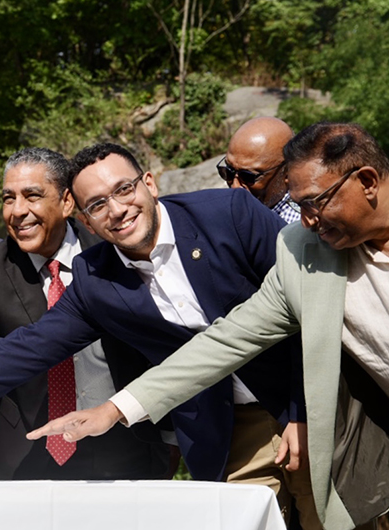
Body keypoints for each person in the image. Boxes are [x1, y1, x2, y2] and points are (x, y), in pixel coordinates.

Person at [0, 143, 317, 527]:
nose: (116, 210)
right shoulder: (96, 279)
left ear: (149, 183)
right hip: (222, 429)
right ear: (87, 217)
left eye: (124, 190)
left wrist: (299, 408)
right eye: (99, 205)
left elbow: (306, 304)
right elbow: (26, 348)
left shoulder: (229, 215)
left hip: (311, 405)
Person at [30, 122, 389, 530]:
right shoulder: (307, 253)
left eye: (315, 203)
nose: (305, 220)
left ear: (367, 182)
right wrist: (115, 410)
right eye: (299, 204)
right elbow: (224, 342)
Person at [0, 147, 171, 479]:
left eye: (32, 196)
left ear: (67, 202)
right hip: (25, 456)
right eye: (8, 198)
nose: (18, 211)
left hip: (124, 447)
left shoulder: (113, 252)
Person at [218, 116, 298, 222]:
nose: (235, 187)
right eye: (228, 172)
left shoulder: (301, 229)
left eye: (248, 176)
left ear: (287, 172)